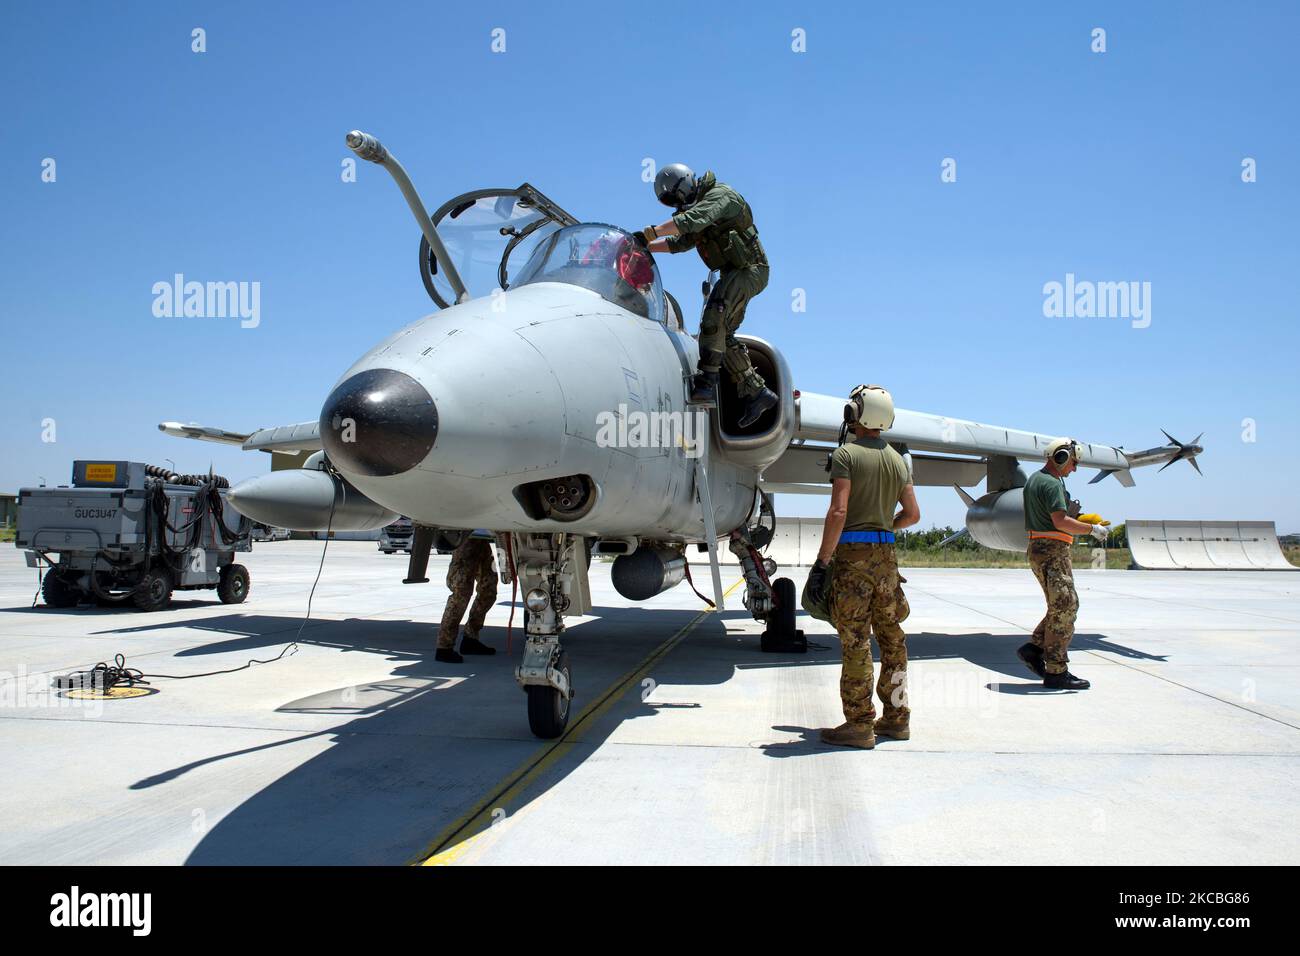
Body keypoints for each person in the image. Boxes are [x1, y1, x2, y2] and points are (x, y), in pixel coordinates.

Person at [806, 385, 920, 749]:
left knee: (856, 640)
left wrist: (824, 560)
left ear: (855, 413)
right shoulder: (898, 460)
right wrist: (884, 526)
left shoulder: (845, 455)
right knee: (893, 639)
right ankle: (896, 719)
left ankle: (859, 724)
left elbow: (838, 512)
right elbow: (914, 515)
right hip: (887, 560)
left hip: (853, 559)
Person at [638, 164, 777, 428]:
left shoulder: (720, 196)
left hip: (750, 271)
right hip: (734, 273)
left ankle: (706, 383)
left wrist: (652, 232)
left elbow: (691, 222)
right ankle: (757, 393)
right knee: (722, 336)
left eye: (677, 197)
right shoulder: (698, 210)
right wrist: (646, 246)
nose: (679, 204)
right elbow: (681, 242)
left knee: (714, 316)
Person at [1018, 438, 1109, 690]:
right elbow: (1059, 521)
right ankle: (1056, 671)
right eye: (1073, 462)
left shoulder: (1035, 480)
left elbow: (1055, 517)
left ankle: (1034, 647)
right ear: (1060, 457)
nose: (1074, 469)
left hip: (1040, 549)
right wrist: (1092, 529)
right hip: (1052, 551)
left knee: (1062, 605)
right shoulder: (1051, 483)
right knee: (1066, 606)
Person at [435, 535, 499, 664]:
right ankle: (444, 647)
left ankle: (471, 638)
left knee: (489, 590)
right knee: (461, 592)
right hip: (465, 539)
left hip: (482, 540)